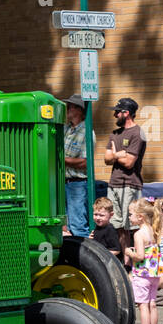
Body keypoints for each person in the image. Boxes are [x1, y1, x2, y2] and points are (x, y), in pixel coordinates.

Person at [103, 97, 146, 246]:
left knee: (133, 225)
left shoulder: (138, 133)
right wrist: (117, 154)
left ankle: (137, 260)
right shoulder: (114, 134)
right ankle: (126, 260)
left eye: (117, 112)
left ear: (126, 113)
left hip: (130, 184)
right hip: (113, 184)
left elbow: (129, 162)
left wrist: (116, 155)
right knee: (119, 226)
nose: (115, 115)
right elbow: (106, 158)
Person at [124, 198, 162, 324]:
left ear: (140, 216)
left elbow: (140, 256)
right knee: (152, 303)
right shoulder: (153, 230)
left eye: (130, 214)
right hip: (154, 273)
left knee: (143, 305)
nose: (129, 217)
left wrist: (129, 252)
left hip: (142, 274)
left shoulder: (138, 234)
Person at [61, 94, 90, 237]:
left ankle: (82, 256)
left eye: (71, 106)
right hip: (63, 182)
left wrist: (61, 159)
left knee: (78, 224)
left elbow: (85, 162)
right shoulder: (66, 129)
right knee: (64, 225)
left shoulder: (87, 131)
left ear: (79, 110)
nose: (67, 109)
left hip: (77, 184)